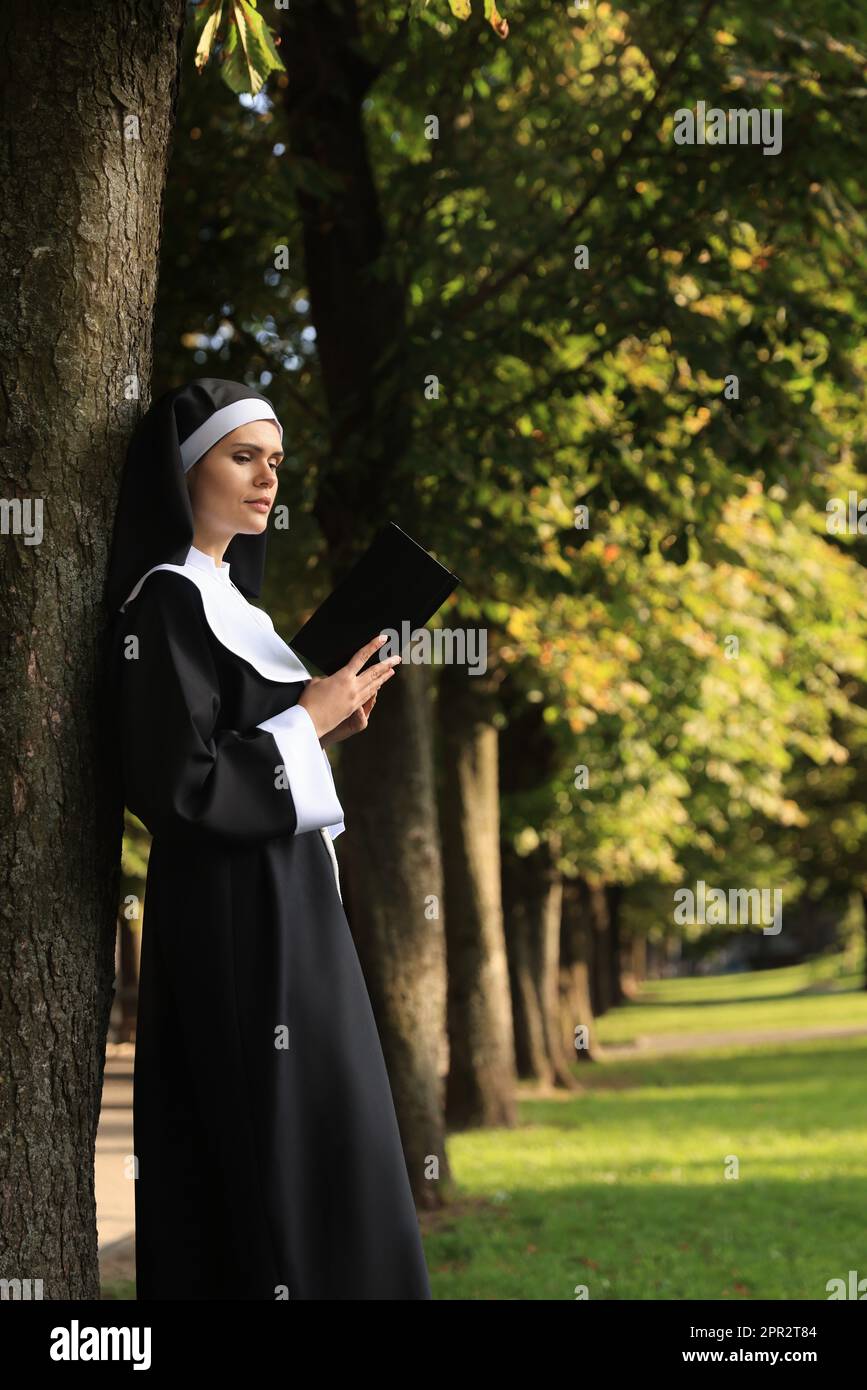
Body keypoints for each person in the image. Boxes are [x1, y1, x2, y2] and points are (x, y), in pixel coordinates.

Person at [104, 377, 432, 1300]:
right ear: (182, 471)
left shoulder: (237, 606)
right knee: (275, 1135)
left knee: (334, 1123)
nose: (266, 481)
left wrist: (323, 719)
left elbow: (250, 749)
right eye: (242, 457)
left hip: (290, 895)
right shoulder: (165, 600)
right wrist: (305, 720)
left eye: (275, 462)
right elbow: (177, 786)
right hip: (235, 911)